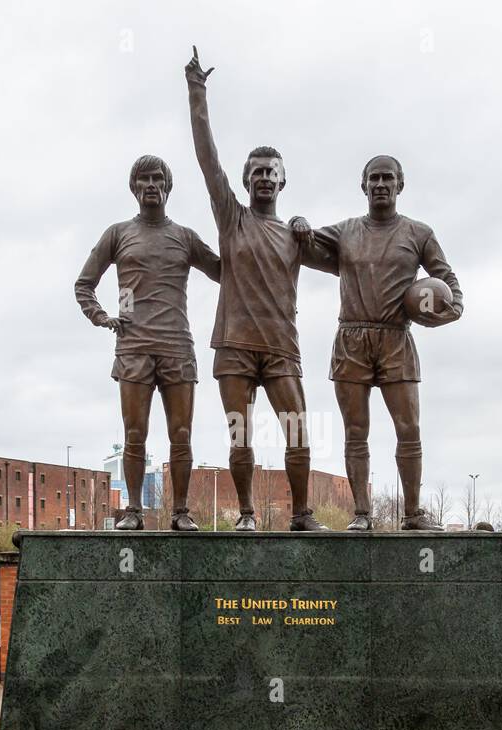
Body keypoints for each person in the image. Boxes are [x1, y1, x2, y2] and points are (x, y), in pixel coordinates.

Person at [185, 46, 337, 531]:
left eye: (273, 171)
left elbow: (342, 263)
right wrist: (197, 92)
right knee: (240, 435)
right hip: (233, 347)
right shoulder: (232, 219)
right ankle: (247, 515)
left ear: (283, 180)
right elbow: (208, 160)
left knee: (298, 431)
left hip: (281, 348)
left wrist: (310, 232)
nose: (265, 177)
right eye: (257, 171)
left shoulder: (296, 236)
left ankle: (302, 514)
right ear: (247, 179)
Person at [293, 155, 462, 530]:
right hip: (351, 338)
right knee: (356, 432)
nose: (381, 184)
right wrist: (297, 222)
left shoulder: (419, 233)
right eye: (374, 178)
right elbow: (303, 244)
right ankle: (361, 514)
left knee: (409, 429)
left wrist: (444, 314)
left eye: (388, 178)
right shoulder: (346, 231)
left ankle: (413, 514)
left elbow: (449, 284)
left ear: (400, 185)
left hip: (396, 339)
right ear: (363, 185)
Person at [75, 154, 222, 531]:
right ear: (134, 187)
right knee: (134, 434)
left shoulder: (185, 237)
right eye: (144, 180)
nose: (152, 185)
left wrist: (249, 245)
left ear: (168, 187)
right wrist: (101, 316)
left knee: (182, 435)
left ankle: (181, 511)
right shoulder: (118, 233)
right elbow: (84, 283)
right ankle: (135, 511)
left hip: (177, 346)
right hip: (134, 348)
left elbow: (226, 272)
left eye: (158, 179)